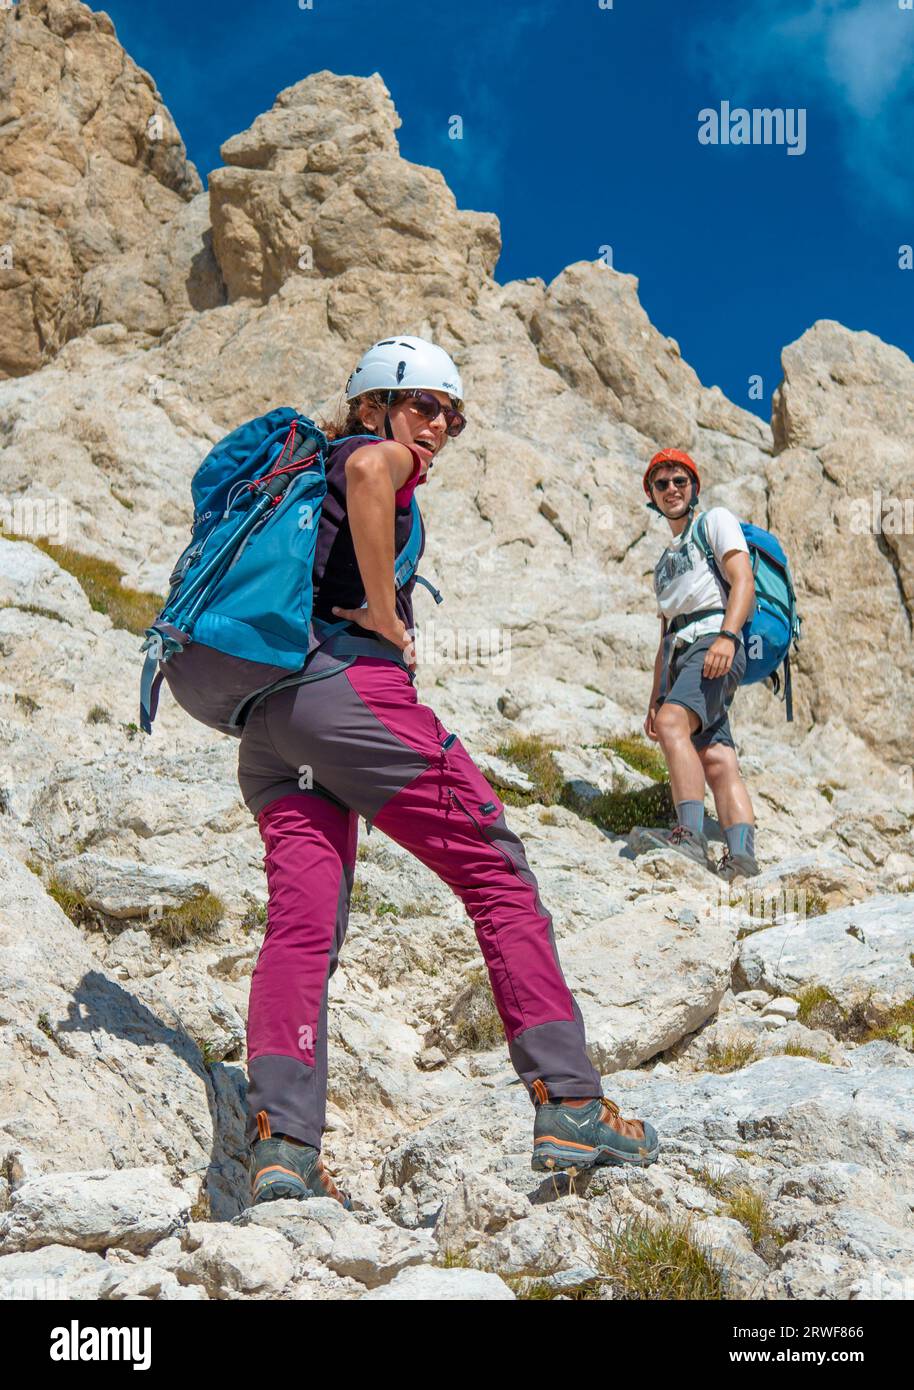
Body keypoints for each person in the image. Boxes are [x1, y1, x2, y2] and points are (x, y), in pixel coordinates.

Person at [236, 336, 660, 1205]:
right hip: (347, 700)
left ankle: (284, 1146)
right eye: (423, 404)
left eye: (452, 417)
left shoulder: (302, 480)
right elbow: (371, 473)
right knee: (497, 872)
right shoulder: (368, 455)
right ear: (371, 405)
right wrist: (388, 617)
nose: (437, 426)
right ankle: (572, 1102)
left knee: (302, 929)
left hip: (270, 728)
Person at [640, 449, 759, 880]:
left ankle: (689, 837)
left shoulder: (715, 522)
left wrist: (728, 636)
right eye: (661, 484)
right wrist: (656, 697)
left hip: (713, 642)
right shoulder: (663, 564)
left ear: (694, 488)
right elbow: (665, 634)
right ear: (652, 495)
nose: (671, 489)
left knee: (674, 724)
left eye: (680, 481)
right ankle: (742, 859)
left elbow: (742, 580)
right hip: (682, 654)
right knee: (716, 757)